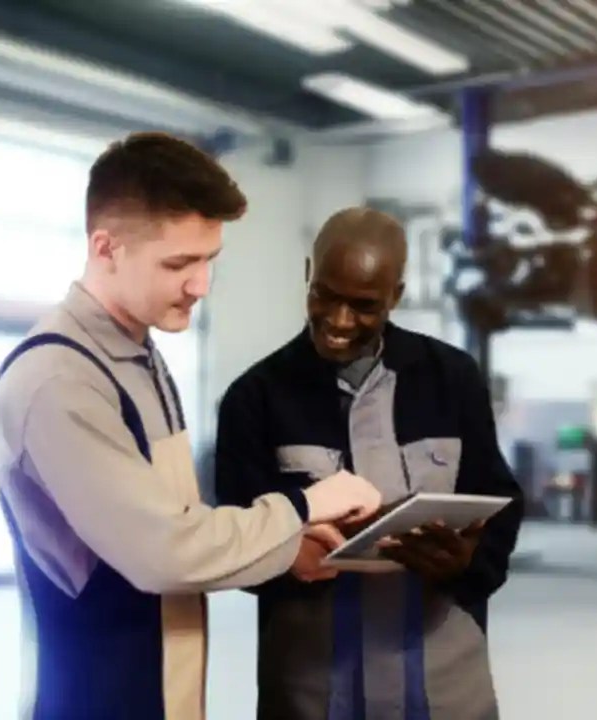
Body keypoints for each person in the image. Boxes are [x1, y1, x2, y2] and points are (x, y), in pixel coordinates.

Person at [0, 132, 383, 720]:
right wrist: (305, 505)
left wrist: (283, 549)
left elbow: (174, 525)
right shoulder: (59, 381)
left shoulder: (139, 356)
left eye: (208, 261)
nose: (201, 285)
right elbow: (163, 553)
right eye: (179, 263)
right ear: (106, 247)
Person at [215, 207, 525, 720]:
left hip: (446, 687)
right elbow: (235, 540)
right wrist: (290, 552)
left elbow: (499, 502)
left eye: (363, 305)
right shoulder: (255, 398)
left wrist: (467, 559)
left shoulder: (453, 379)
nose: (338, 321)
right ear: (307, 274)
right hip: (310, 690)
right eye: (325, 296)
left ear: (395, 298)